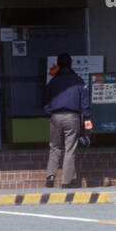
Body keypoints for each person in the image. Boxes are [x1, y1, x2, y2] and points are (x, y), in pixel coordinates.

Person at [43, 53, 92, 189]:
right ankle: (66, 181)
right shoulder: (78, 81)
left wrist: (49, 114)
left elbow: (46, 100)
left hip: (55, 116)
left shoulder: (52, 82)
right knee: (70, 149)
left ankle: (50, 176)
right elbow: (84, 101)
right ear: (71, 64)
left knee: (55, 146)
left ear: (58, 65)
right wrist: (87, 117)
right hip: (72, 116)